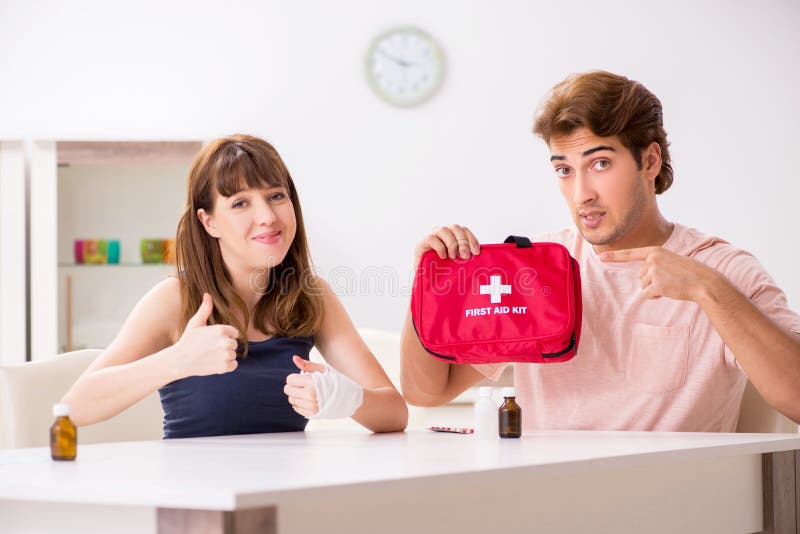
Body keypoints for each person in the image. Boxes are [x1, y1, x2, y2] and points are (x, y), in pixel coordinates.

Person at [400, 71, 800, 432]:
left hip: (670, 502)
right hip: (546, 496)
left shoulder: (721, 269)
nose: (581, 194)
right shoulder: (536, 268)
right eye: (564, 170)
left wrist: (709, 292)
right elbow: (428, 392)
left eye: (601, 164)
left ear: (650, 160)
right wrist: (429, 282)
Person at [63, 134, 407, 438]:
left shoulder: (311, 295)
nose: (268, 217)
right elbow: (74, 408)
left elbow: (394, 412)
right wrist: (177, 361)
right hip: (197, 500)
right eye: (240, 203)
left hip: (283, 497)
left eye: (276, 196)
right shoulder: (175, 299)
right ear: (208, 221)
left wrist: (344, 397)